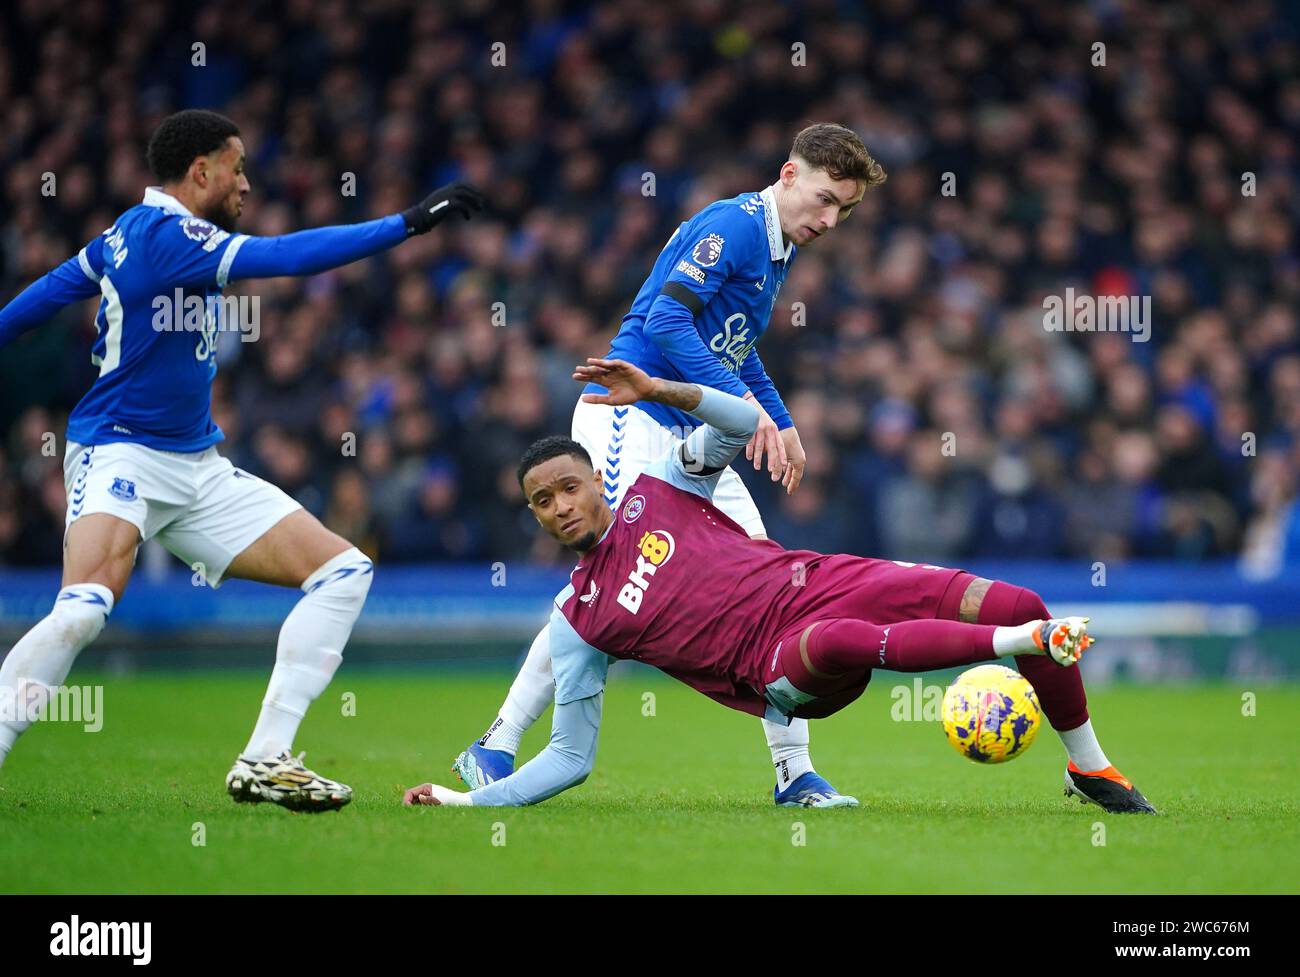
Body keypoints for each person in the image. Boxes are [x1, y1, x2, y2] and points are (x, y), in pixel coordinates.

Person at [406, 358, 1156, 814]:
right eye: (543, 502)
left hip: (818, 578)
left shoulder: (657, 484)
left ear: (593, 484)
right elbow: (571, 758)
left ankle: (1088, 764)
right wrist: (468, 800)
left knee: (1019, 599)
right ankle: (1014, 646)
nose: (561, 507)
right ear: (534, 517)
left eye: (567, 488)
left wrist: (660, 388)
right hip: (779, 669)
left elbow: (735, 422)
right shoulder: (578, 620)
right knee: (841, 641)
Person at [0, 109, 486, 811]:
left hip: (197, 467)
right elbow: (286, 256)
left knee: (343, 570)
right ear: (201, 171)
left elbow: (46, 294)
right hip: (119, 452)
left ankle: (265, 758)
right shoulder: (174, 237)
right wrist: (406, 224)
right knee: (82, 610)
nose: (247, 184)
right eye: (238, 167)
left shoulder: (120, 237)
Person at [454, 122, 887, 808]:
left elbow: (735, 349)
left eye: (844, 209)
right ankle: (497, 741)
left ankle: (793, 772)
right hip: (632, 414)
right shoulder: (736, 227)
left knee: (768, 579)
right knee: (612, 588)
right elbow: (664, 324)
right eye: (826, 199)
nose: (830, 219)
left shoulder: (776, 247)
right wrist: (747, 407)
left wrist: (781, 422)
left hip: (690, 430)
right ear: (788, 175)